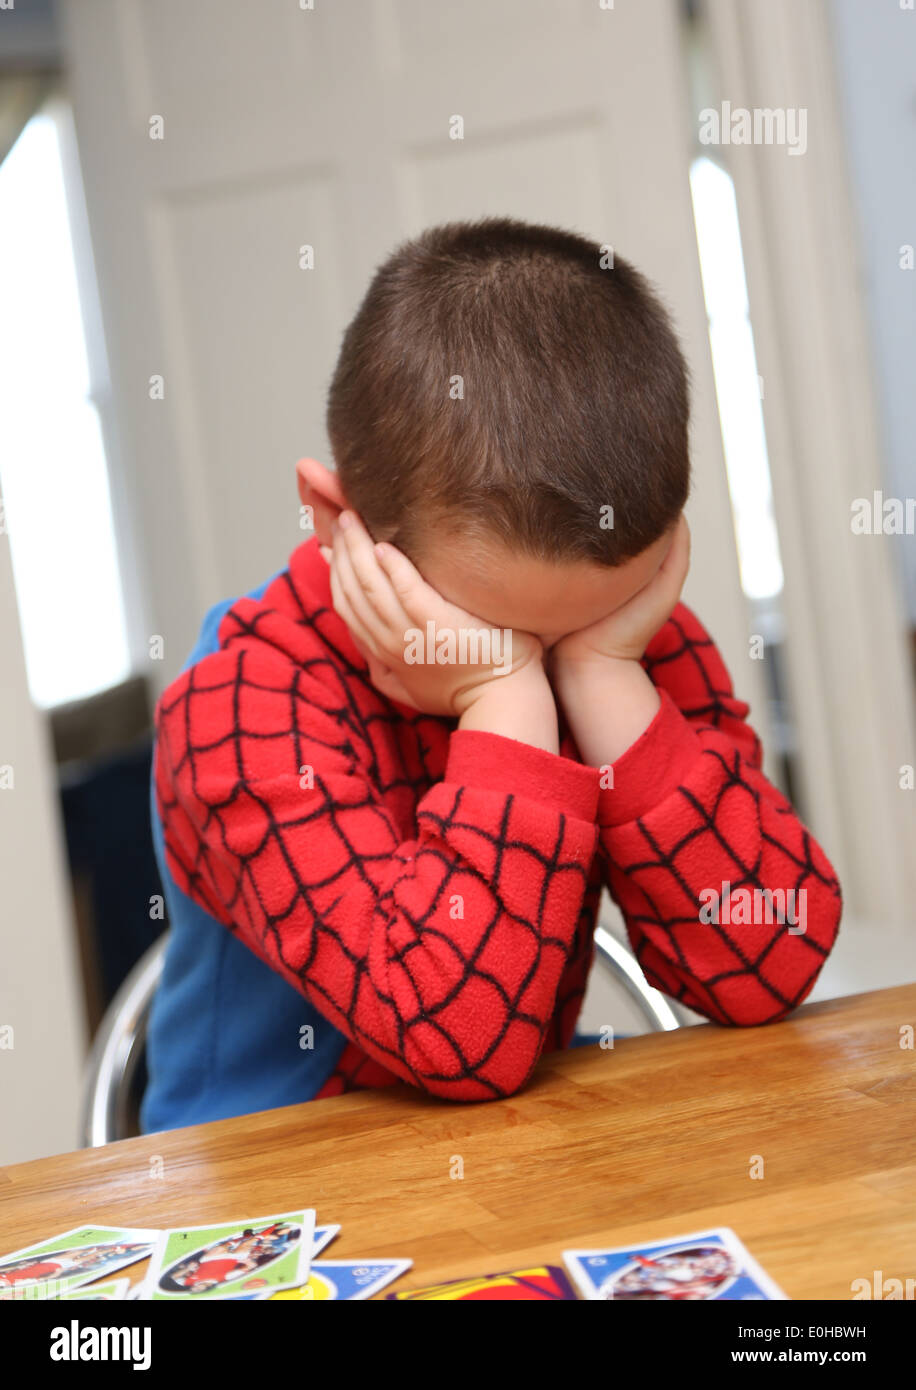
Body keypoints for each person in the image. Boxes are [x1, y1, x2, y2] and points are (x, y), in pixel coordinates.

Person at [140, 217, 841, 1134]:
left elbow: (771, 955)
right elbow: (456, 1037)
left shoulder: (620, 642)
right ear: (334, 517)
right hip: (269, 1200)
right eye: (497, 626)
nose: (549, 655)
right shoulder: (240, 705)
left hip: (505, 1164)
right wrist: (501, 697)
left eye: (587, 623)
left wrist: (605, 676)